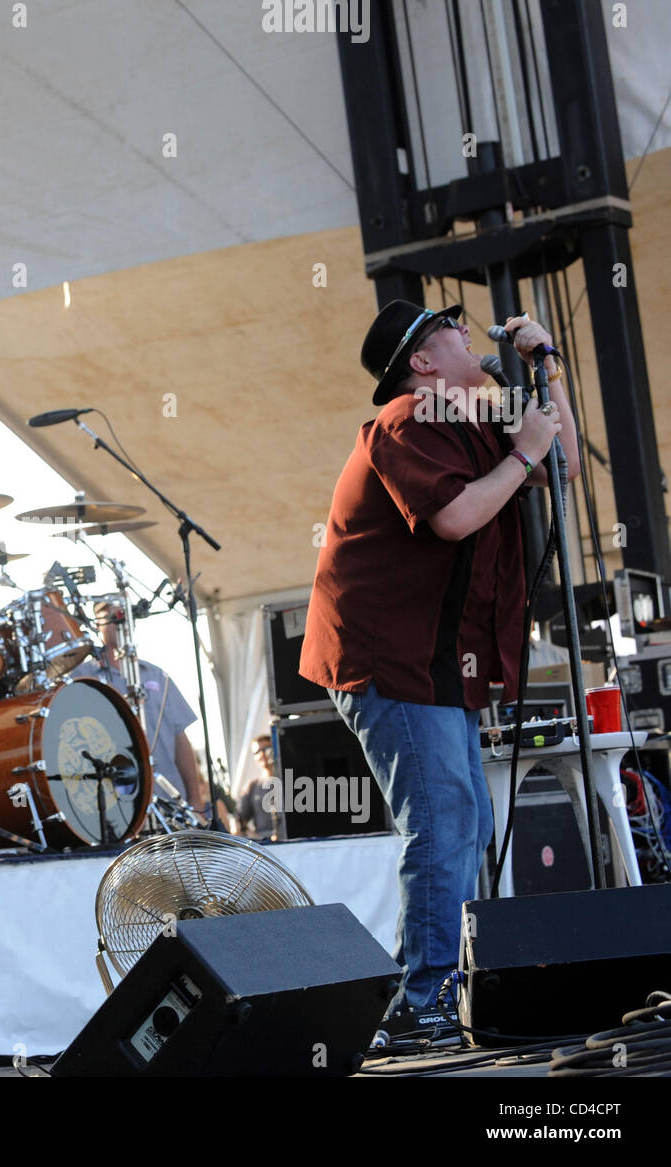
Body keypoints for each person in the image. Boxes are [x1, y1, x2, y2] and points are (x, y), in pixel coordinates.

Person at [299, 299, 578, 1027]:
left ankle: (446, 992)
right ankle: (421, 1001)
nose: (466, 328)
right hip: (387, 655)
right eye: (450, 325)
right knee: (446, 817)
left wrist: (547, 371)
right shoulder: (402, 423)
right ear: (422, 361)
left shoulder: (477, 419)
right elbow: (455, 516)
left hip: (437, 660)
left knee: (469, 819)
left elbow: (562, 463)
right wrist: (522, 451)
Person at [71, 601, 207, 813]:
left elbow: (180, 737)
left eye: (124, 613)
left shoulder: (157, 675)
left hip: (169, 801)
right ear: (97, 623)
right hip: (113, 806)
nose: (120, 620)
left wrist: (195, 800)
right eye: (111, 615)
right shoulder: (81, 677)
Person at [235, 734, 278, 840]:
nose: (262, 754)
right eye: (257, 752)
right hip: (264, 846)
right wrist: (257, 837)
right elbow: (240, 821)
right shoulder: (251, 786)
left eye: (266, 749)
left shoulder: (291, 780)